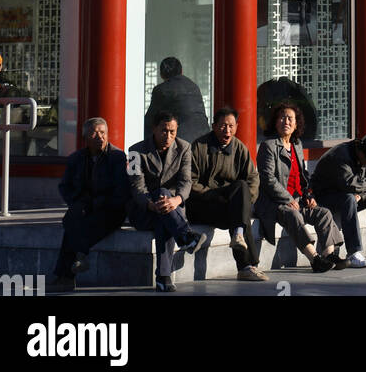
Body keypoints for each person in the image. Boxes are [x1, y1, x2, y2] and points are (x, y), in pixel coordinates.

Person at [255, 102, 343, 272]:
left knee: (323, 213)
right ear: (275, 122)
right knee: (292, 214)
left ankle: (329, 255)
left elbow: (303, 176)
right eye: (282, 118)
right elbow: (267, 179)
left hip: (297, 200)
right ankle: (314, 259)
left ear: (296, 124)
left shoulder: (297, 145)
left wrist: (308, 195)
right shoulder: (269, 146)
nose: (285, 121)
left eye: (290, 119)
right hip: (275, 203)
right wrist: (287, 199)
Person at [127, 111, 205, 292]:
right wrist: (151, 204)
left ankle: (164, 277)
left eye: (172, 131)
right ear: (154, 129)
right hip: (143, 209)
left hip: (173, 208)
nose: (168, 136)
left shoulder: (184, 147)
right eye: (164, 131)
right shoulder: (134, 151)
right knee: (163, 203)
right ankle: (185, 236)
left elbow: (186, 181)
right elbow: (136, 187)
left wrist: (177, 200)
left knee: (164, 218)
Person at [188, 107, 266, 282]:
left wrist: (244, 201)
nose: (227, 130)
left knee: (241, 193)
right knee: (239, 205)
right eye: (223, 126)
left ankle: (245, 261)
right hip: (202, 205)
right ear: (214, 126)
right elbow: (190, 182)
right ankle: (249, 265)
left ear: (237, 126)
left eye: (231, 126)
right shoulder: (199, 146)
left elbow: (253, 179)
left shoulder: (239, 148)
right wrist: (212, 194)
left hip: (227, 206)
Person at [51, 117, 129, 291]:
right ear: (85, 136)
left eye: (103, 133)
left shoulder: (116, 157)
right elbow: (65, 186)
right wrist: (77, 203)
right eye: (95, 133)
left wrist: (96, 204)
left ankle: (66, 274)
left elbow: (121, 191)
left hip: (110, 208)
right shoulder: (76, 159)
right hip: (84, 205)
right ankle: (72, 266)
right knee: (71, 220)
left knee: (76, 229)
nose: (100, 137)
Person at [310, 130, 366, 267]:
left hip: (350, 195)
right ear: (361, 152)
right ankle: (353, 252)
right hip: (325, 195)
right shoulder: (340, 156)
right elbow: (351, 184)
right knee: (349, 199)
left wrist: (363, 194)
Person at [143, 58, 209, 145]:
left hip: (183, 141)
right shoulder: (193, 86)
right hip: (205, 137)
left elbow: (150, 120)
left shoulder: (162, 90)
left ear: (161, 74)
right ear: (181, 71)